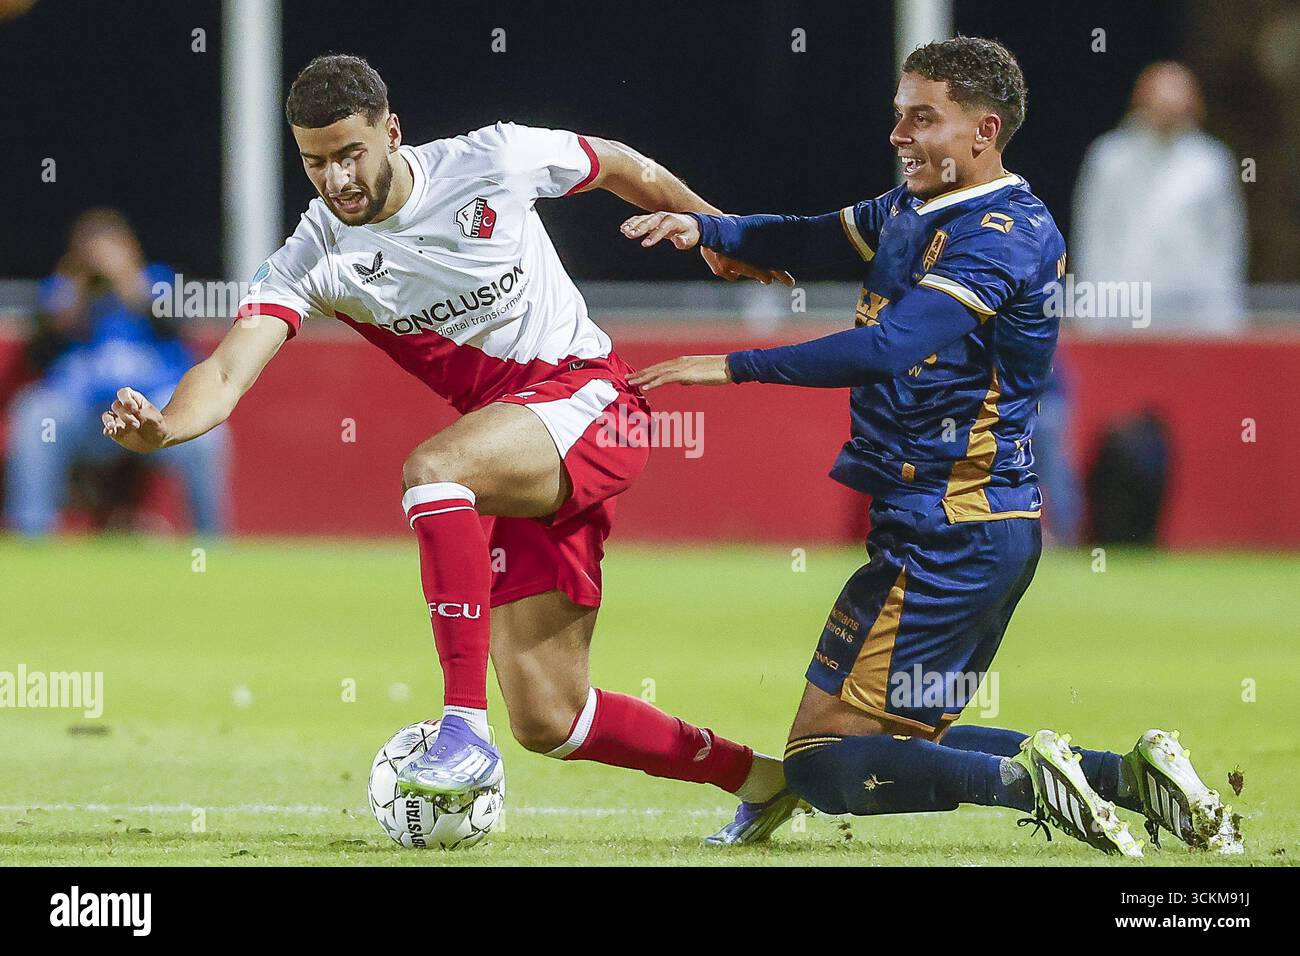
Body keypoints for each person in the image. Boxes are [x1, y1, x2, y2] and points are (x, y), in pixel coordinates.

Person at [101, 54, 797, 844]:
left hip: (593, 401)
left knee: (435, 472)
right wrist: (164, 426)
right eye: (315, 161)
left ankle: (462, 729)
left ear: (390, 132)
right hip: (522, 445)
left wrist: (714, 227)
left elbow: (618, 165)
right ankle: (767, 779)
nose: (336, 179)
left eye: (350, 153)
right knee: (551, 717)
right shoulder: (316, 253)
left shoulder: (491, 159)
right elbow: (227, 370)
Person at [622, 37, 1243, 855]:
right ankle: (1131, 780)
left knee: (823, 765)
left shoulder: (1004, 233)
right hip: (951, 524)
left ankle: (1030, 780)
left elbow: (888, 347)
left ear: (983, 131)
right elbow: (812, 236)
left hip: (953, 524)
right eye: (897, 116)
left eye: (923, 118)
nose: (899, 136)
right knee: (896, 741)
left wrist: (732, 365)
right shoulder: (918, 206)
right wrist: (710, 228)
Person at [4, 208, 227, 535]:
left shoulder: (156, 281)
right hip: (82, 416)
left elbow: (173, 328)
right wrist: (76, 291)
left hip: (154, 412)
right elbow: (40, 351)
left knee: (207, 436)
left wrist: (127, 281)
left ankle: (211, 541)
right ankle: (32, 535)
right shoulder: (64, 290)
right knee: (35, 414)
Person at [1071, 61, 1247, 334]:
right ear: (1141, 99)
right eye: (1160, 100)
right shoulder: (1110, 158)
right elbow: (1093, 234)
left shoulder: (1211, 161)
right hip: (1124, 309)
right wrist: (1092, 310)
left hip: (1195, 312)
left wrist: (1225, 312)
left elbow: (1225, 239)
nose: (1167, 110)